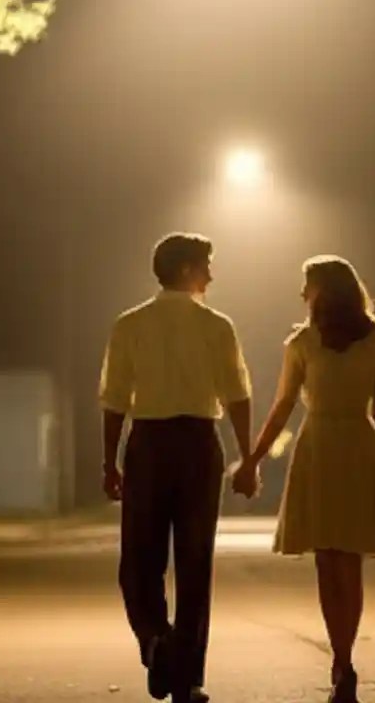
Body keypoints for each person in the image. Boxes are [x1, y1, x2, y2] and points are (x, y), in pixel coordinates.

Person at [232, 254, 375, 703]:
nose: (301, 294)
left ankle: (343, 659)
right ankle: (342, 660)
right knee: (330, 558)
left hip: (346, 447)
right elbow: (283, 406)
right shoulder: (303, 344)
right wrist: (252, 459)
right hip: (322, 448)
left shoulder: (374, 341)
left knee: (347, 559)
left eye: (307, 286)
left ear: (326, 291)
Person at [100, 232, 254, 703]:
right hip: (197, 446)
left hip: (147, 444)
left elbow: (114, 400)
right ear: (187, 269)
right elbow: (237, 395)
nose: (211, 273)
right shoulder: (217, 326)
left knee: (138, 561)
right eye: (206, 264)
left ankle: (154, 640)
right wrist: (247, 458)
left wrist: (110, 461)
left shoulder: (130, 325)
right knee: (194, 563)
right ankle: (187, 678)